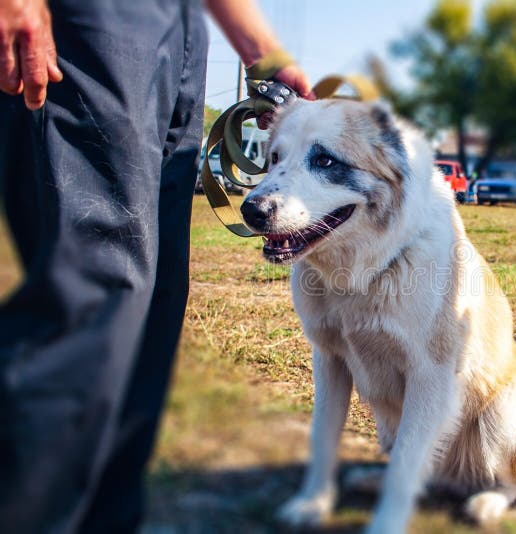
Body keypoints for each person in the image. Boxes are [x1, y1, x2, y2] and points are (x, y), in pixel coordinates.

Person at [0, 1, 312, 532]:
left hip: (179, 30)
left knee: (153, 307)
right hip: (90, 22)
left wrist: (262, 52)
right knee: (91, 298)